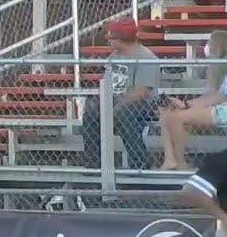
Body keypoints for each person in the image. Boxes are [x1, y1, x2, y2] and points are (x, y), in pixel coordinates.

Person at [82, 19, 161, 170]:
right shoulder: (114, 56)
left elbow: (141, 91)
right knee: (92, 111)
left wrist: (115, 107)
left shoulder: (146, 57)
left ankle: (140, 162)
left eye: (110, 35)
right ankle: (94, 164)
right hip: (115, 100)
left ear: (121, 38)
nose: (107, 38)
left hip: (144, 104)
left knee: (124, 114)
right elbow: (105, 83)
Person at [160, 30, 227, 170]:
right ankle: (170, 160)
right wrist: (187, 104)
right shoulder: (217, 66)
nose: (207, 46)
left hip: (223, 109)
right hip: (218, 106)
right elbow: (214, 95)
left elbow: (220, 96)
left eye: (211, 42)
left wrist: (187, 105)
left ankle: (181, 163)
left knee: (177, 118)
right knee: (167, 113)